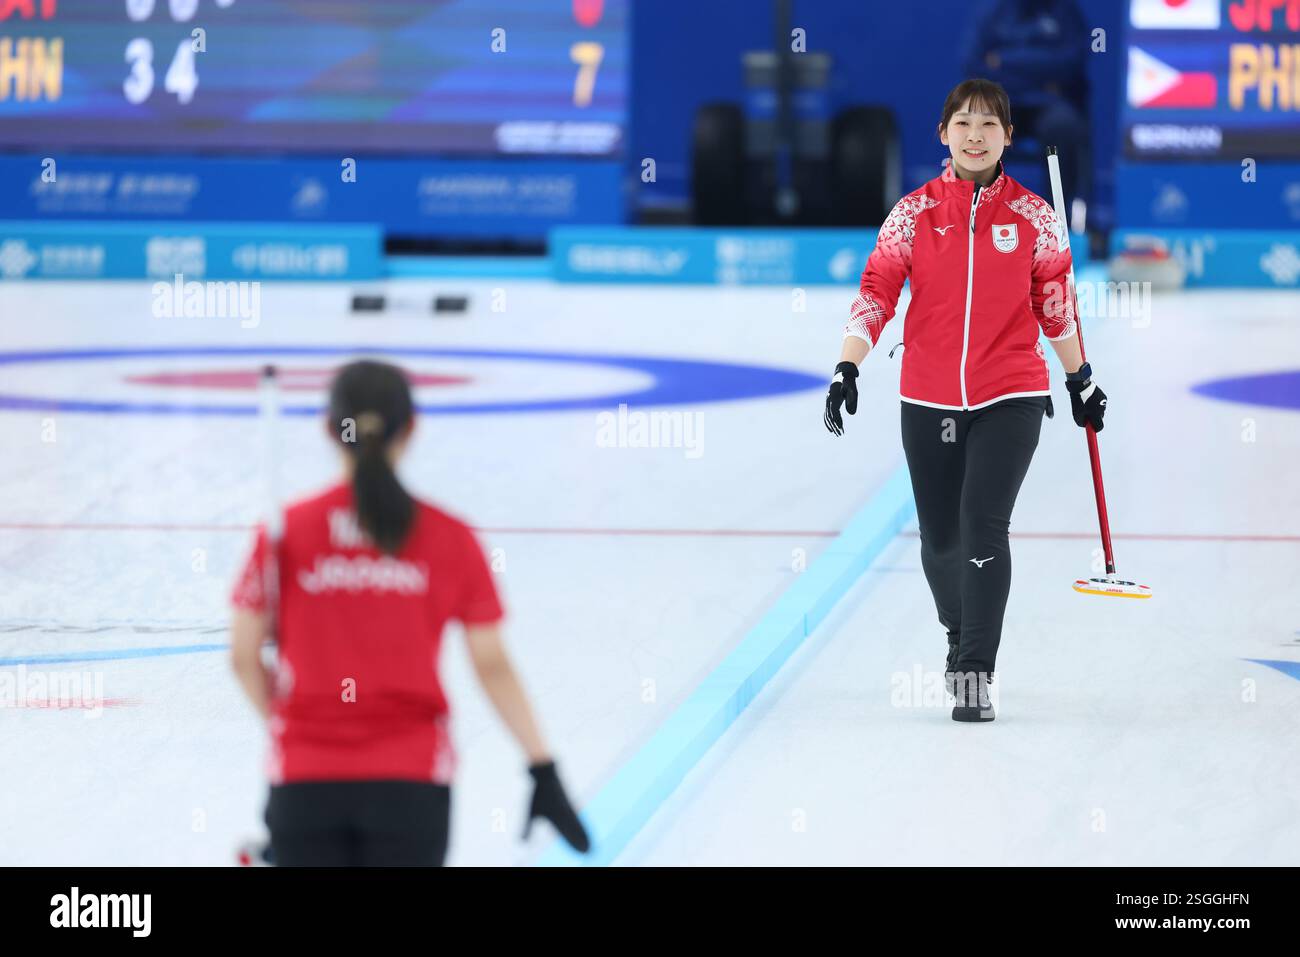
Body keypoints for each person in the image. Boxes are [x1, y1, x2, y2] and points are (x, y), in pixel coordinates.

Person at [823, 78, 1107, 722]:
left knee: (983, 524)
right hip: (928, 395)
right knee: (941, 541)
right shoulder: (913, 214)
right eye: (963, 124)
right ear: (943, 134)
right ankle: (959, 635)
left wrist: (1079, 379)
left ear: (1009, 137)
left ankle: (976, 670)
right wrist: (848, 366)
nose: (975, 136)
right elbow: (876, 292)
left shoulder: (1035, 217)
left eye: (989, 125)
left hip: (1011, 391)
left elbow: (1055, 305)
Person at [229, 359, 589, 864]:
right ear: (412, 428)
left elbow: (244, 657)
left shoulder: (285, 532)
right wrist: (541, 768)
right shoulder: (450, 537)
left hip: (305, 780)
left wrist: (292, 728)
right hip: (411, 783)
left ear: (330, 429)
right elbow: (492, 664)